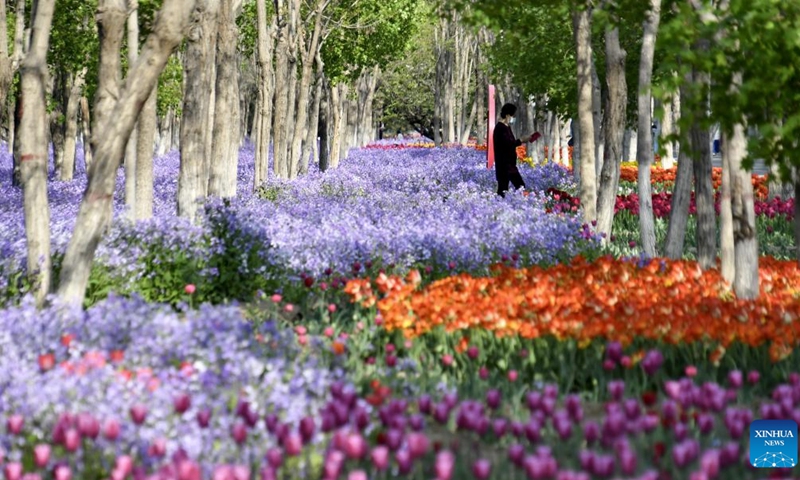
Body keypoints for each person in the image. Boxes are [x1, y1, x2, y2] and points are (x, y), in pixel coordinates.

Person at [493, 103, 540, 197]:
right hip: (505, 164)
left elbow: (511, 142)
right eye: (513, 116)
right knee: (519, 186)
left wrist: (523, 140)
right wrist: (521, 140)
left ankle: (501, 207)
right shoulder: (500, 128)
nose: (513, 118)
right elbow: (508, 144)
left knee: (503, 190)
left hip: (509, 163)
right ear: (507, 115)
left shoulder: (507, 127)